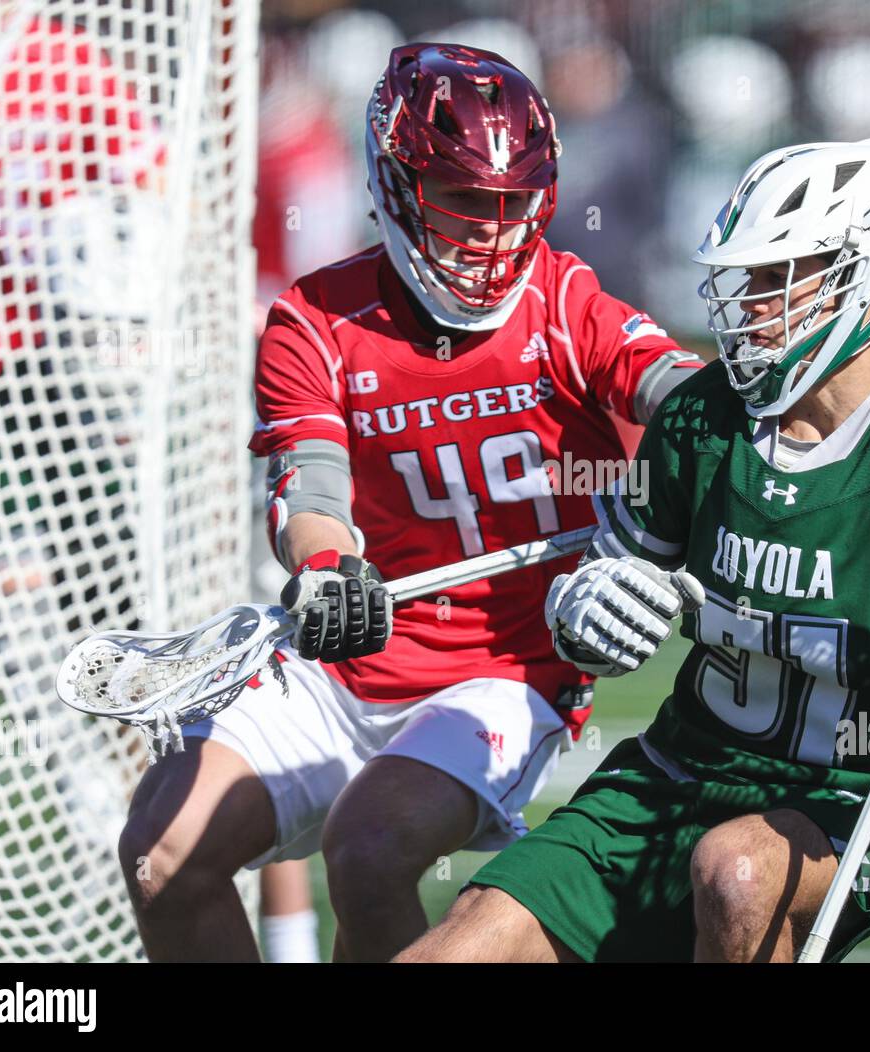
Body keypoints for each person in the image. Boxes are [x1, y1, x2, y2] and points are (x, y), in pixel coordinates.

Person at [398, 137, 870, 963]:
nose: (746, 307)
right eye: (741, 280)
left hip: (844, 804)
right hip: (675, 776)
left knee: (737, 872)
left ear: (869, 275)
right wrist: (585, 611)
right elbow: (606, 578)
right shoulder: (703, 416)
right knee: (448, 953)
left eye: (775, 279)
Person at [116, 42, 700, 963]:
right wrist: (325, 565)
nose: (493, 235)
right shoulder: (317, 321)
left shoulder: (564, 301)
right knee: (163, 851)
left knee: (370, 850)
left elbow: (679, 393)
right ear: (393, 182)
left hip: (500, 670)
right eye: (466, 200)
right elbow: (310, 489)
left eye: (514, 206)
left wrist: (748, 411)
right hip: (345, 664)